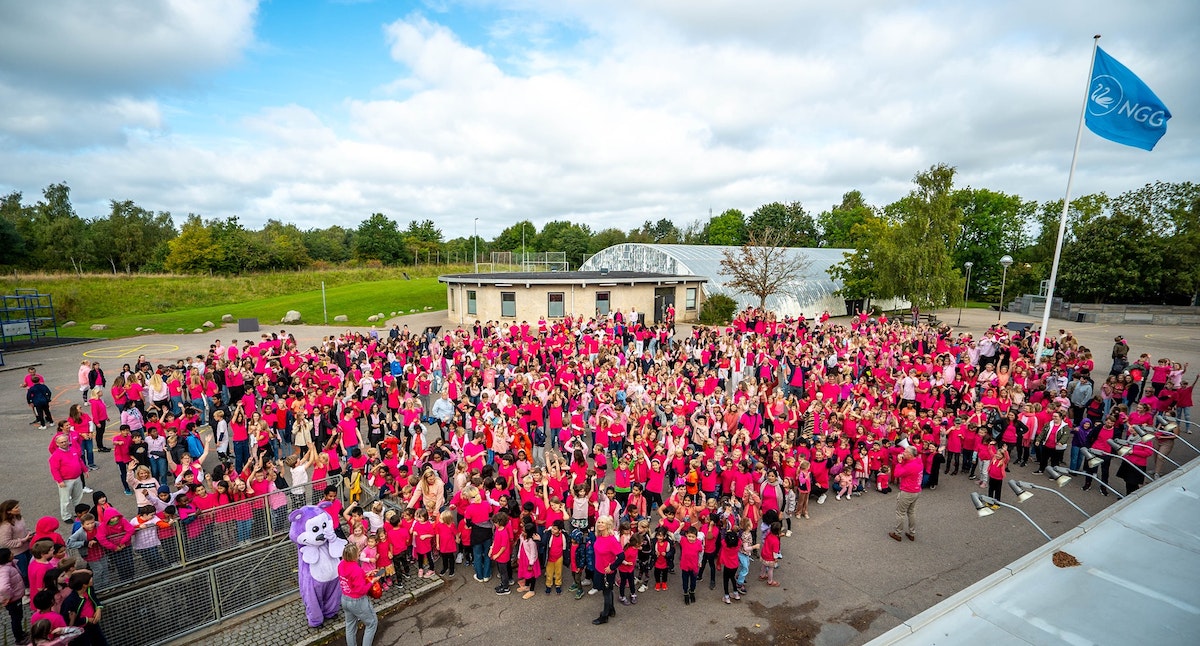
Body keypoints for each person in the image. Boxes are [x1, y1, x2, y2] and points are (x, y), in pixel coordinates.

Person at [337, 543, 378, 646]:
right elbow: (361, 590)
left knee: (350, 626)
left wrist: (366, 574)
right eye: (358, 552)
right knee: (372, 623)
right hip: (357, 601)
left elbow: (352, 579)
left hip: (345, 598)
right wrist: (372, 581)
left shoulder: (341, 564)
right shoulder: (357, 570)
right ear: (355, 555)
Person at [591, 515, 623, 625]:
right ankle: (611, 610)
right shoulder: (599, 536)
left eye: (602, 522)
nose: (600, 524)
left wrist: (612, 567)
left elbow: (621, 556)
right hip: (599, 568)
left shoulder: (611, 540)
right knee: (608, 590)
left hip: (606, 571)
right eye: (599, 522)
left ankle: (604, 615)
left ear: (607, 525)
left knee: (606, 592)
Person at [49, 434, 86, 523]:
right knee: (65, 500)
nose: (64, 443)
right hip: (65, 481)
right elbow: (54, 469)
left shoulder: (73, 449)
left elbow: (79, 460)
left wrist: (85, 469)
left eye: (65, 441)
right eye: (61, 442)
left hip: (77, 478)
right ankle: (66, 516)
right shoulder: (56, 455)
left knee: (78, 497)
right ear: (57, 444)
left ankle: (78, 512)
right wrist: (60, 481)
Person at [889, 447, 922, 542]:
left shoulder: (910, 466)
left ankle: (898, 533)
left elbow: (897, 474)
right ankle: (912, 533)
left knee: (900, 512)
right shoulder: (918, 461)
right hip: (916, 490)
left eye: (906, 452)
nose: (903, 452)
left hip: (908, 491)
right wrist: (903, 460)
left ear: (910, 455)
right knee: (911, 512)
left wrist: (899, 462)